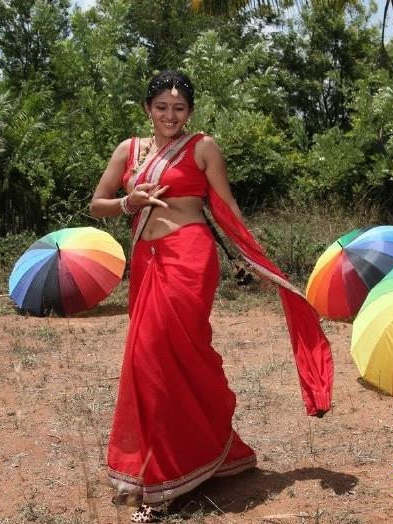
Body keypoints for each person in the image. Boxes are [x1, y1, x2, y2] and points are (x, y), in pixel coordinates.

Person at [90, 70, 333, 523]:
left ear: (190, 112)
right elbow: (96, 204)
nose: (169, 115)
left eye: (178, 108)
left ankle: (161, 488)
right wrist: (130, 203)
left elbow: (227, 206)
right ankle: (206, 451)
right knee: (148, 362)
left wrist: (253, 257)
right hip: (146, 260)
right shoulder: (128, 150)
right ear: (147, 109)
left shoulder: (203, 147)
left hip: (191, 259)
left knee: (172, 355)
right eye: (161, 106)